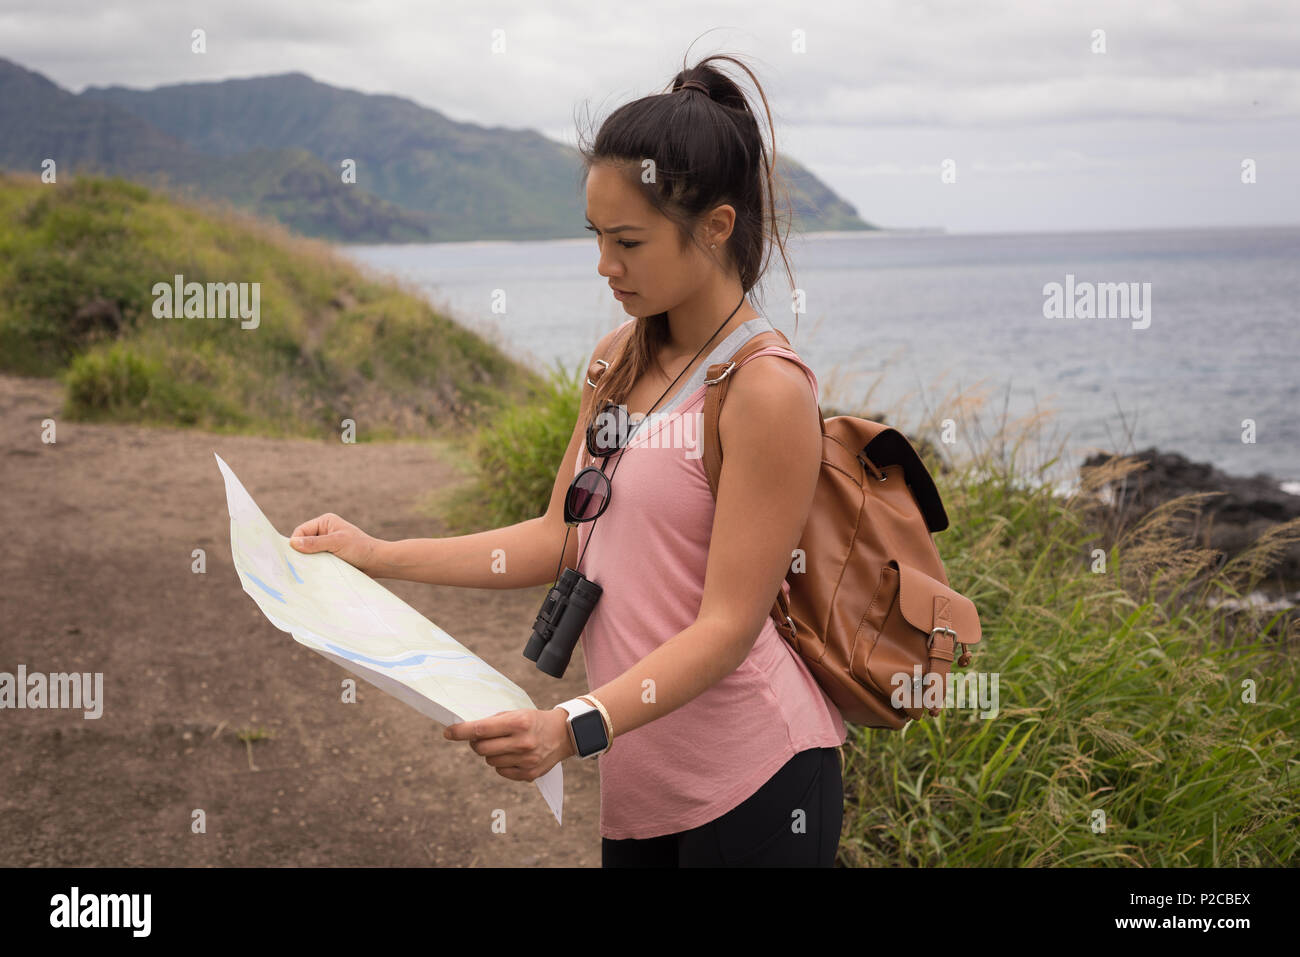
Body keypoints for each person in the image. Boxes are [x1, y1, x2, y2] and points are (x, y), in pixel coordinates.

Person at [289, 52, 847, 868]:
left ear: (717, 227)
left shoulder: (764, 388)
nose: (604, 266)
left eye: (629, 240)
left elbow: (728, 627)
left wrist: (569, 726)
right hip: (643, 784)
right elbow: (559, 538)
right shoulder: (615, 359)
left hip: (758, 780)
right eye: (596, 236)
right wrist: (373, 554)